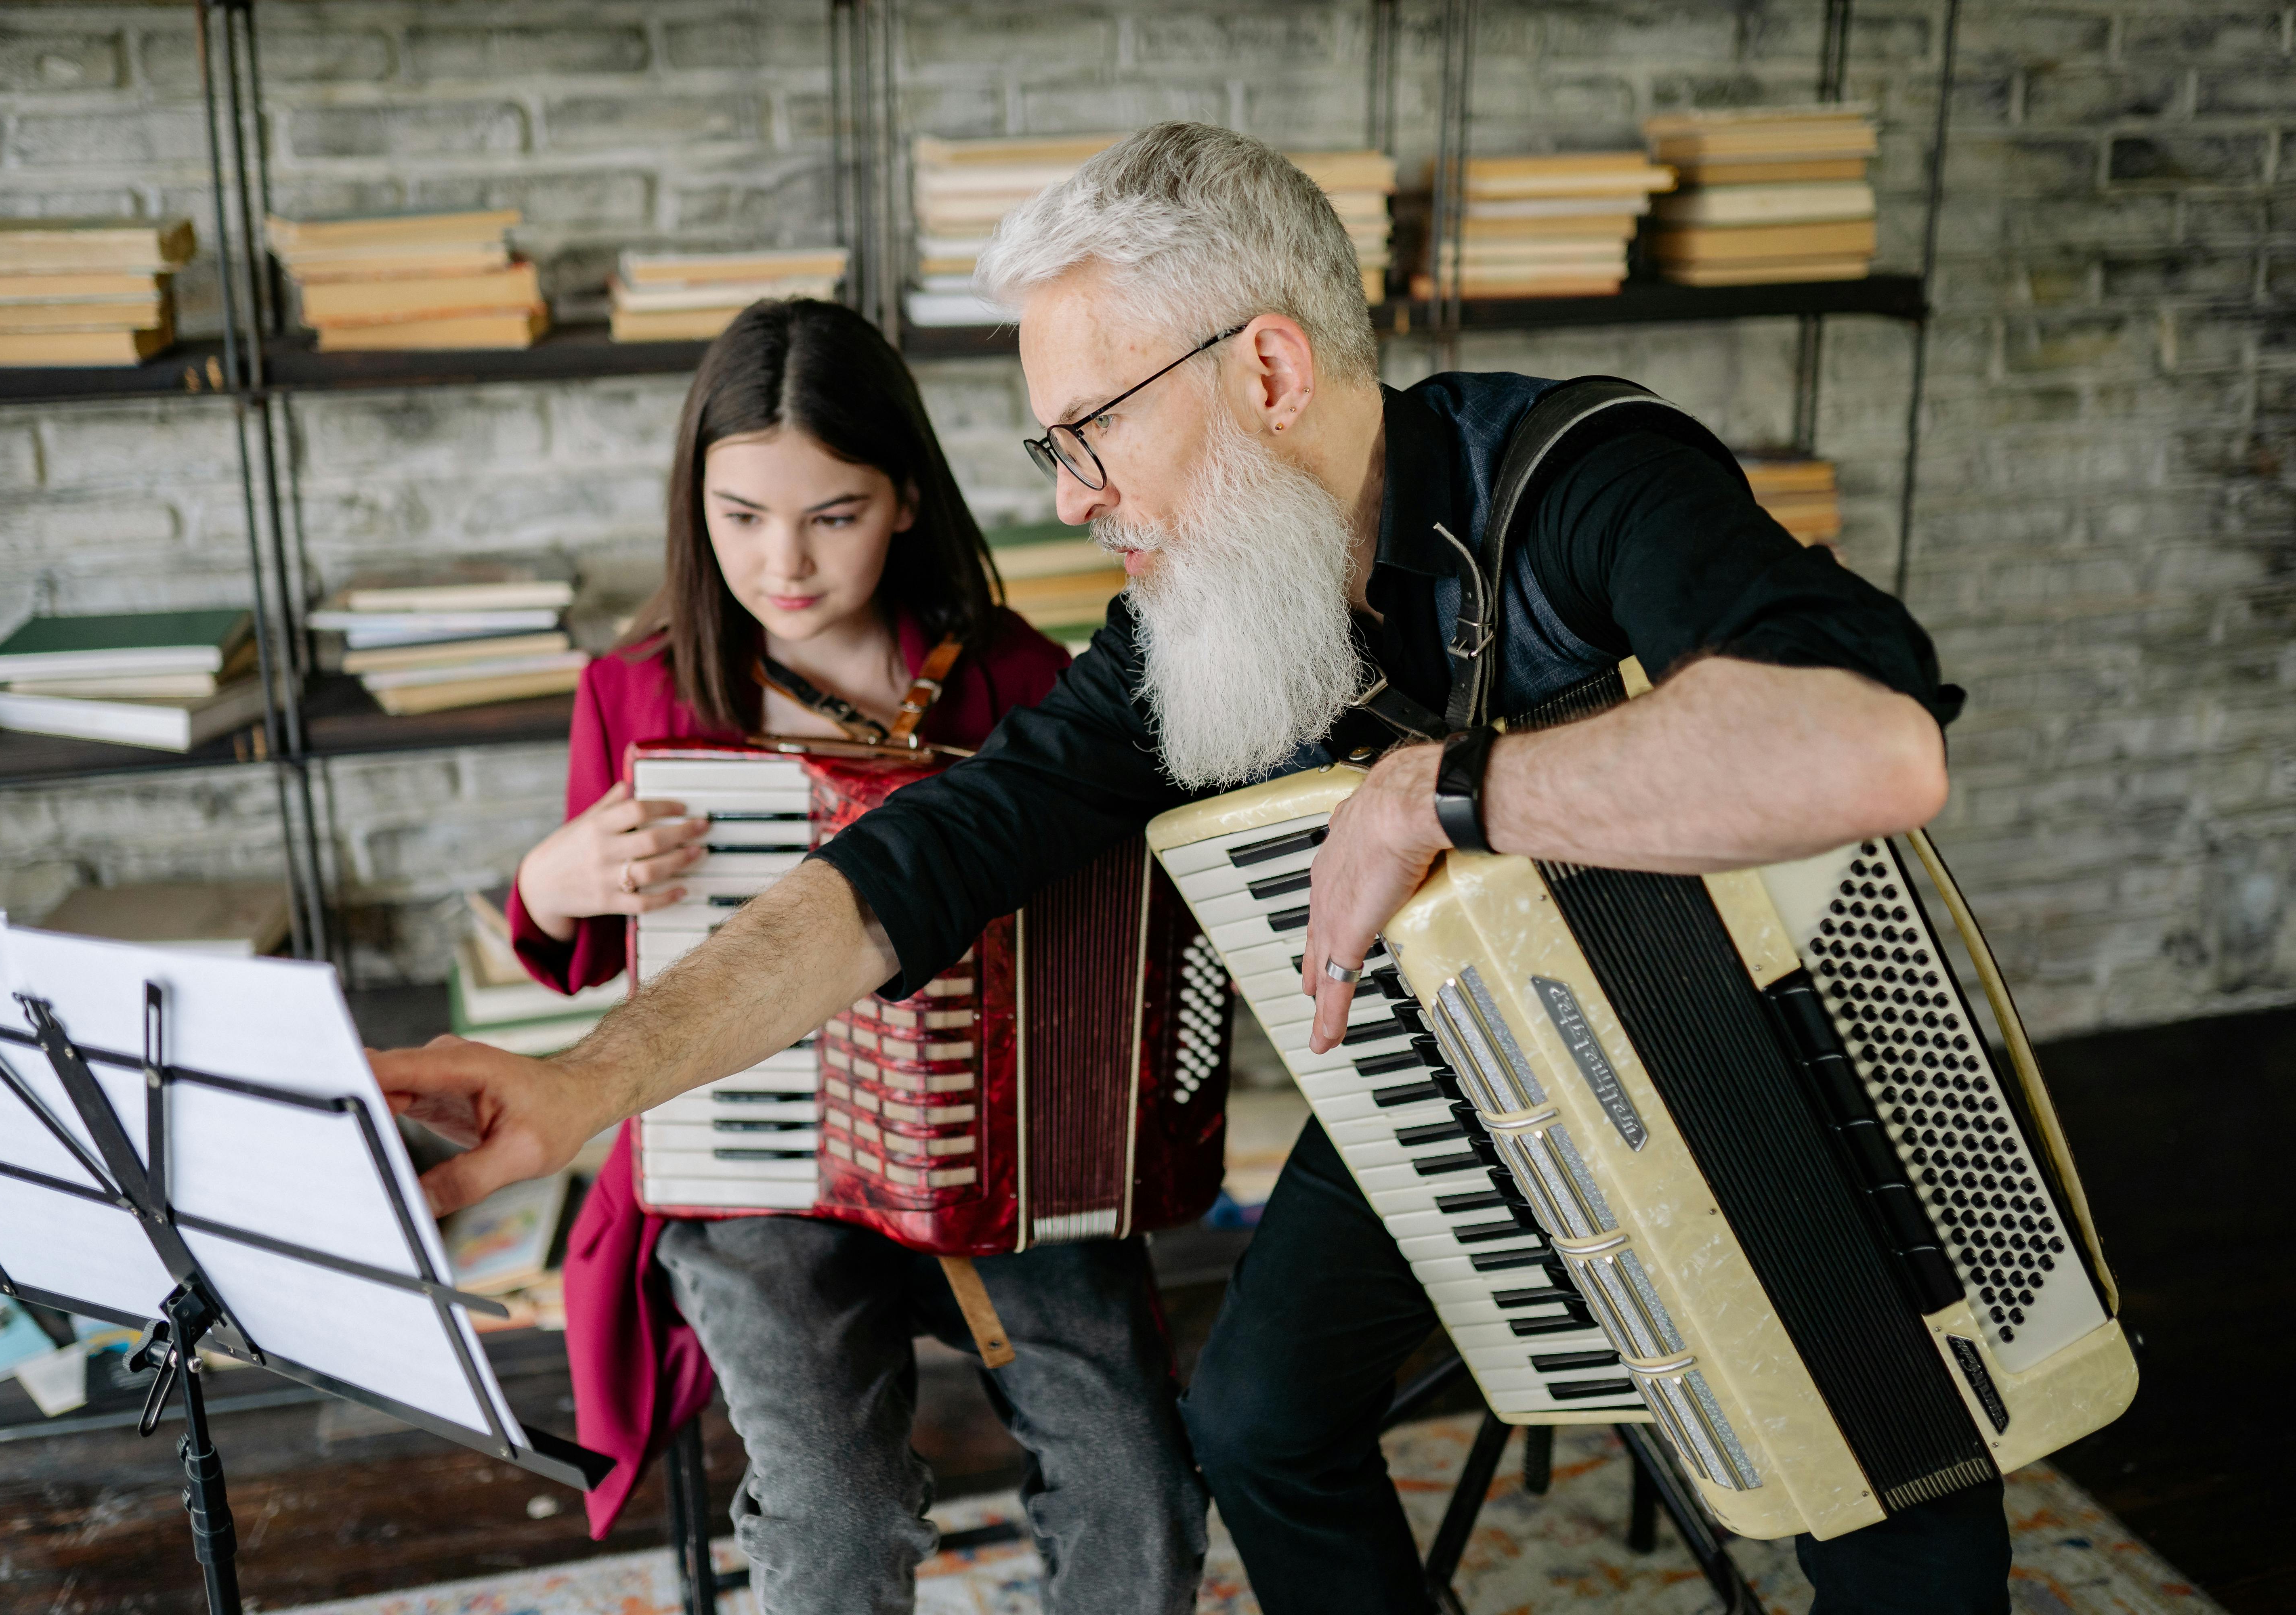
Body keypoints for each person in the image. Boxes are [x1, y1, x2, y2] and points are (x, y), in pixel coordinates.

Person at [377, 127, 2000, 1615]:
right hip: (1472, 1069)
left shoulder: (1586, 474)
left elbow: (1867, 746)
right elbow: (910, 868)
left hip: (1761, 1061)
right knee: (1259, 1422)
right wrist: (589, 1082)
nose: (1072, 496)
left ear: (1269, 368)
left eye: (1092, 430)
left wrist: (1436, 794)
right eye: (1054, 445)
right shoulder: (1204, 614)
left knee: (1883, 1482)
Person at [500, 298, 1207, 1615]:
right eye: (741, 516)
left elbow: (1118, 905)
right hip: (754, 1177)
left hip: (1002, 1160)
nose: (785, 562)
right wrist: (551, 880)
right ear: (695, 507)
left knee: (1136, 1470)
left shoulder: (1014, 677)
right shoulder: (639, 692)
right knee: (836, 1502)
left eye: (834, 516)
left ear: (904, 500)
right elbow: (579, 963)